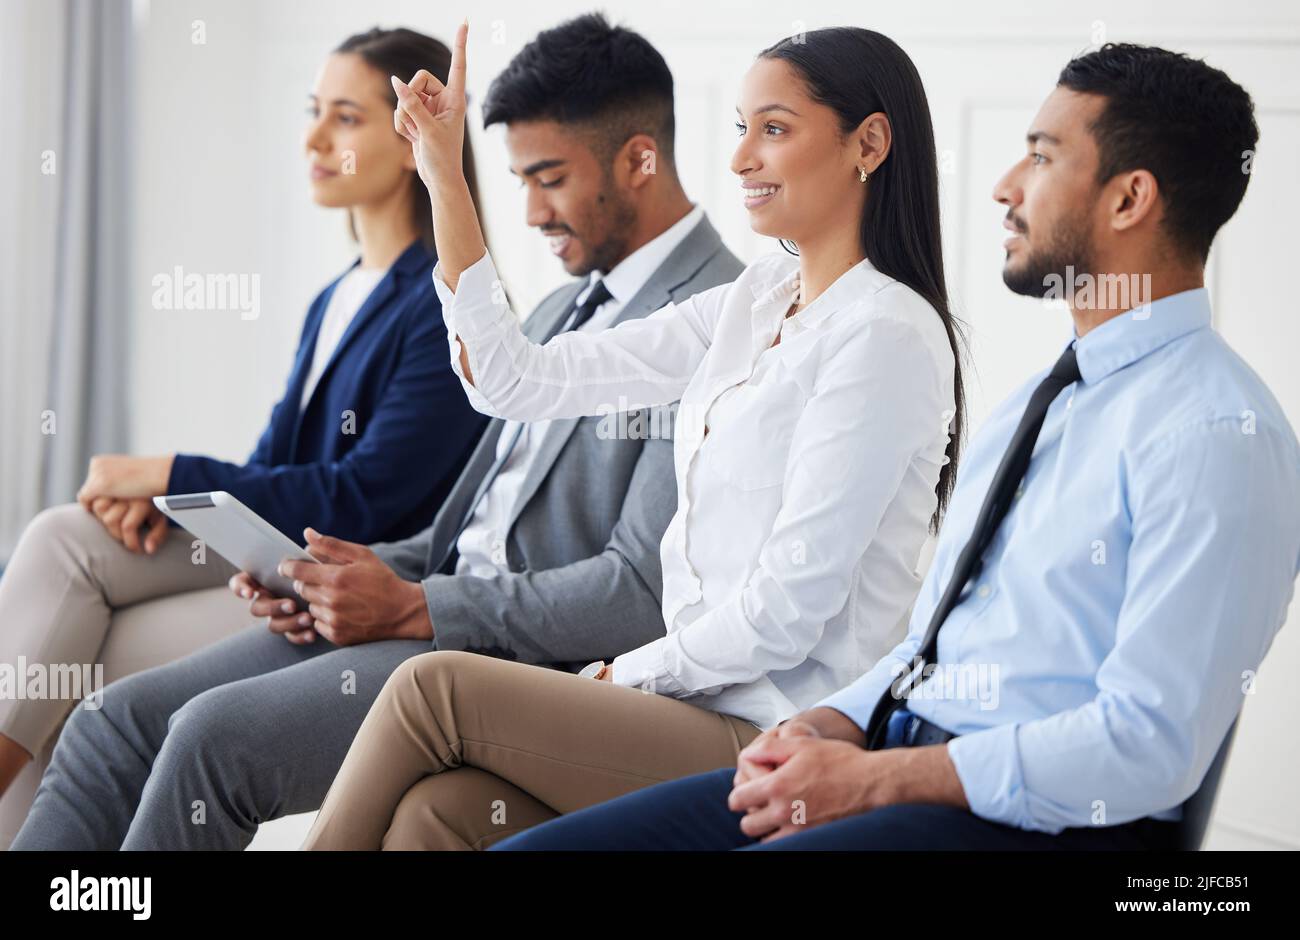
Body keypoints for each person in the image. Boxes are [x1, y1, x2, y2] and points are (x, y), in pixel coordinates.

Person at [493, 43, 1300, 852]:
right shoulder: (1045, 402)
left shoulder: (1216, 436)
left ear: (1130, 199)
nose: (1004, 186)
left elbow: (1148, 745)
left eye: (1043, 158)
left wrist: (881, 778)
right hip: (895, 756)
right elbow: (932, 642)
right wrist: (826, 722)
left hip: (1013, 822)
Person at [9, 14, 741, 850]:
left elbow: (635, 593)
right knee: (113, 718)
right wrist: (324, 575)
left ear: (640, 158)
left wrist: (417, 605)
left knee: (208, 740)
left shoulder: (718, 320)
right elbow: (466, 534)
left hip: (512, 663)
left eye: (550, 178)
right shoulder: (560, 305)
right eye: (519, 181)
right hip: (422, 608)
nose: (532, 213)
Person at [302, 22, 967, 850]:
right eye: (740, 129)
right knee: (436, 815)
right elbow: (515, 380)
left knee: (429, 690)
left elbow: (785, 614)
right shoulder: (757, 300)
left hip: (771, 730)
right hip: (684, 707)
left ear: (869, 143)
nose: (740, 160)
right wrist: (444, 172)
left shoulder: (886, 335)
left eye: (774, 129)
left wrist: (629, 672)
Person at [0, 26, 487, 841]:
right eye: (312, 113)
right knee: (61, 561)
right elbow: (273, 467)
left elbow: (365, 498)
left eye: (344, 118)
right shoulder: (335, 298)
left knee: (75, 642)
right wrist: (174, 502)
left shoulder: (445, 306)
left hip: (343, 592)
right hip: (270, 561)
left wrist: (166, 471)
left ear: (414, 143)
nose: (313, 138)